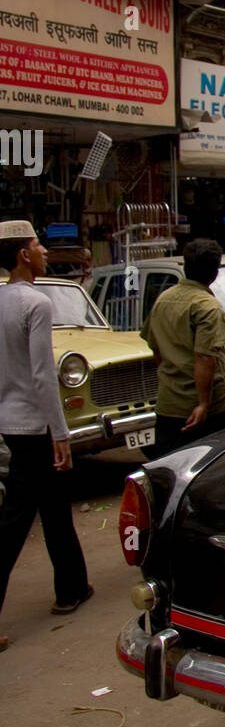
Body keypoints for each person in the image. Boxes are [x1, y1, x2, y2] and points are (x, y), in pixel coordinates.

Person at [0, 220, 92, 651]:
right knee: (17, 520)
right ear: (23, 254)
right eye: (37, 244)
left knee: (55, 507)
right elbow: (43, 376)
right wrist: (60, 433)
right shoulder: (35, 303)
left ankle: (72, 588)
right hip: (34, 426)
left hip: (11, 422)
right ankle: (71, 588)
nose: (44, 251)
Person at [141, 238, 225, 459]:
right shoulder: (207, 306)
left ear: (186, 266)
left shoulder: (163, 299)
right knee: (215, 468)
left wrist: (170, 380)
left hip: (169, 405)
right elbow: (205, 356)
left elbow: (156, 349)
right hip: (210, 411)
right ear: (215, 272)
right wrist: (203, 403)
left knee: (170, 470)